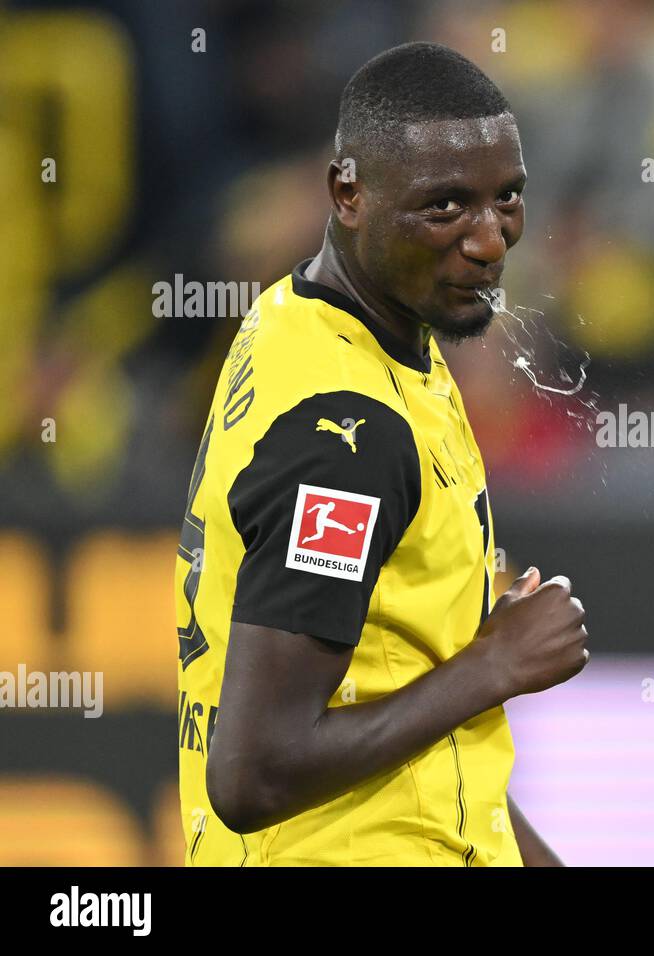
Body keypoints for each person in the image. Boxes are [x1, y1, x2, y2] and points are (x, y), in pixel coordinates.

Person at [174, 41, 587, 866]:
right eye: (445, 208)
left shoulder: (319, 317)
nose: (489, 240)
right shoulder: (344, 436)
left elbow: (429, 725)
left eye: (507, 198)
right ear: (348, 193)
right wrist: (495, 664)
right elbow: (254, 775)